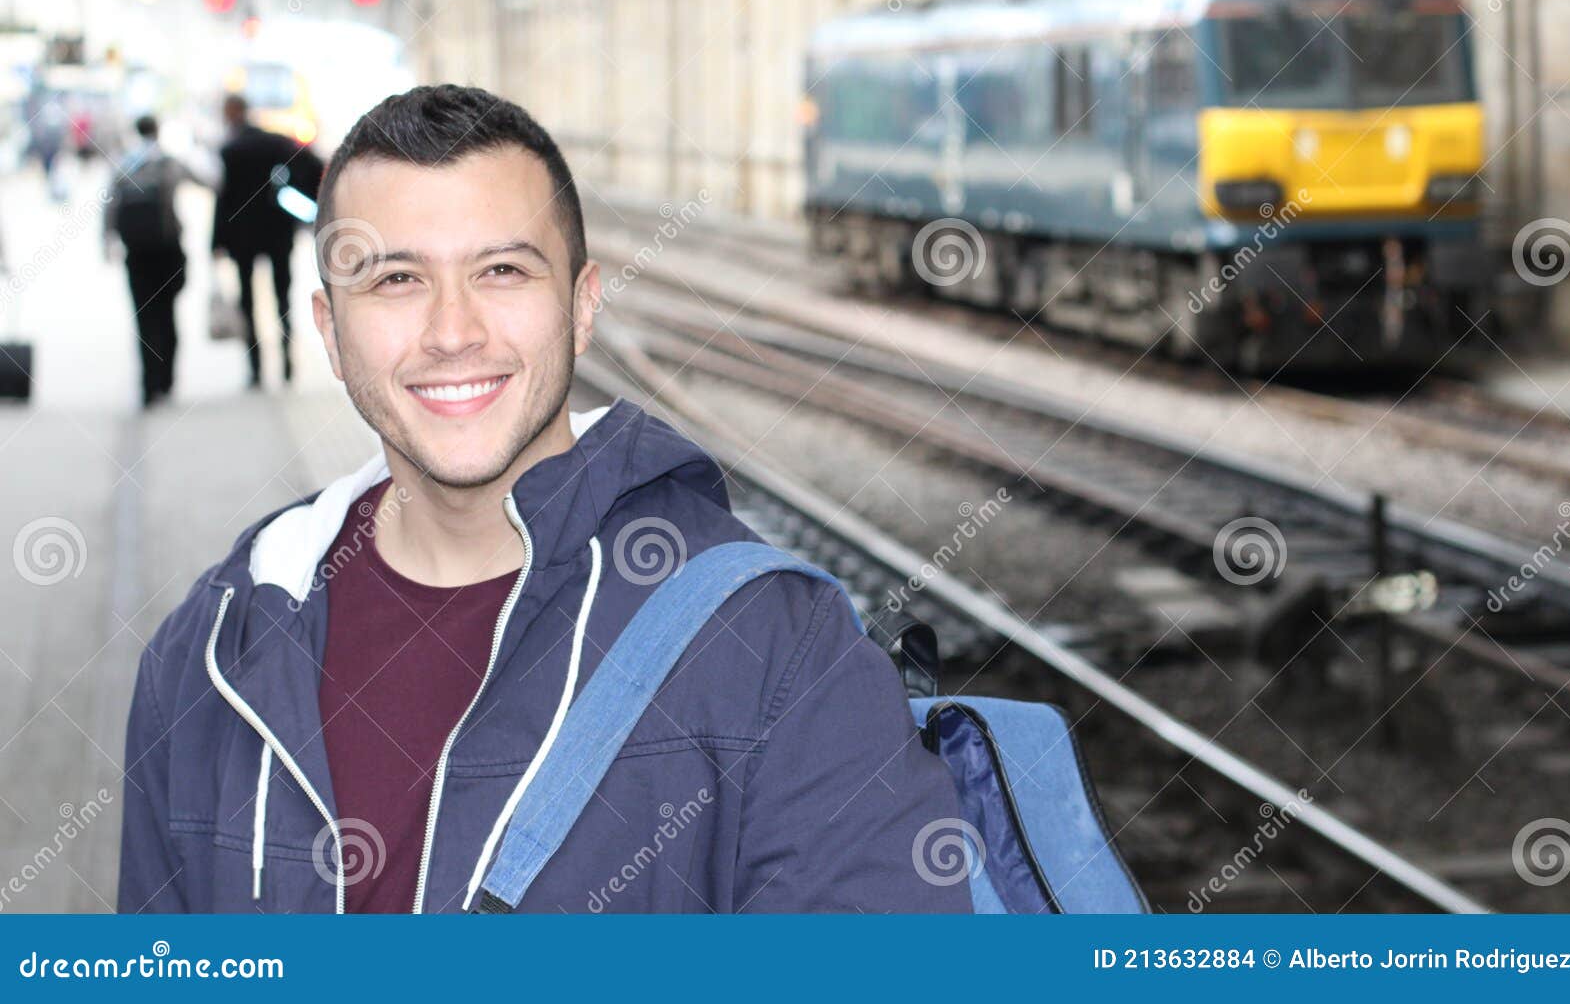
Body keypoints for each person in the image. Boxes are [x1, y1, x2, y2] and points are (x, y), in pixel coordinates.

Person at [117, 84, 970, 914]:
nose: (454, 332)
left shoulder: (781, 652)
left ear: (582, 305)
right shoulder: (212, 653)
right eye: (397, 281)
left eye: (501, 270)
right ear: (331, 331)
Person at [211, 92, 324, 388]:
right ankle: (287, 362)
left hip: (242, 236)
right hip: (277, 231)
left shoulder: (230, 149)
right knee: (283, 298)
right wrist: (304, 204)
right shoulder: (276, 142)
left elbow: (222, 199)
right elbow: (313, 164)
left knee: (248, 302)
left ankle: (256, 368)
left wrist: (216, 241)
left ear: (231, 112)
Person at [104, 115, 205, 407]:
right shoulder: (169, 162)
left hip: (136, 253)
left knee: (144, 316)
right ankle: (166, 379)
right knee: (168, 313)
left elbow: (109, 206)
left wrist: (108, 242)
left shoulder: (125, 164)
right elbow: (208, 180)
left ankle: (148, 384)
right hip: (168, 249)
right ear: (157, 130)